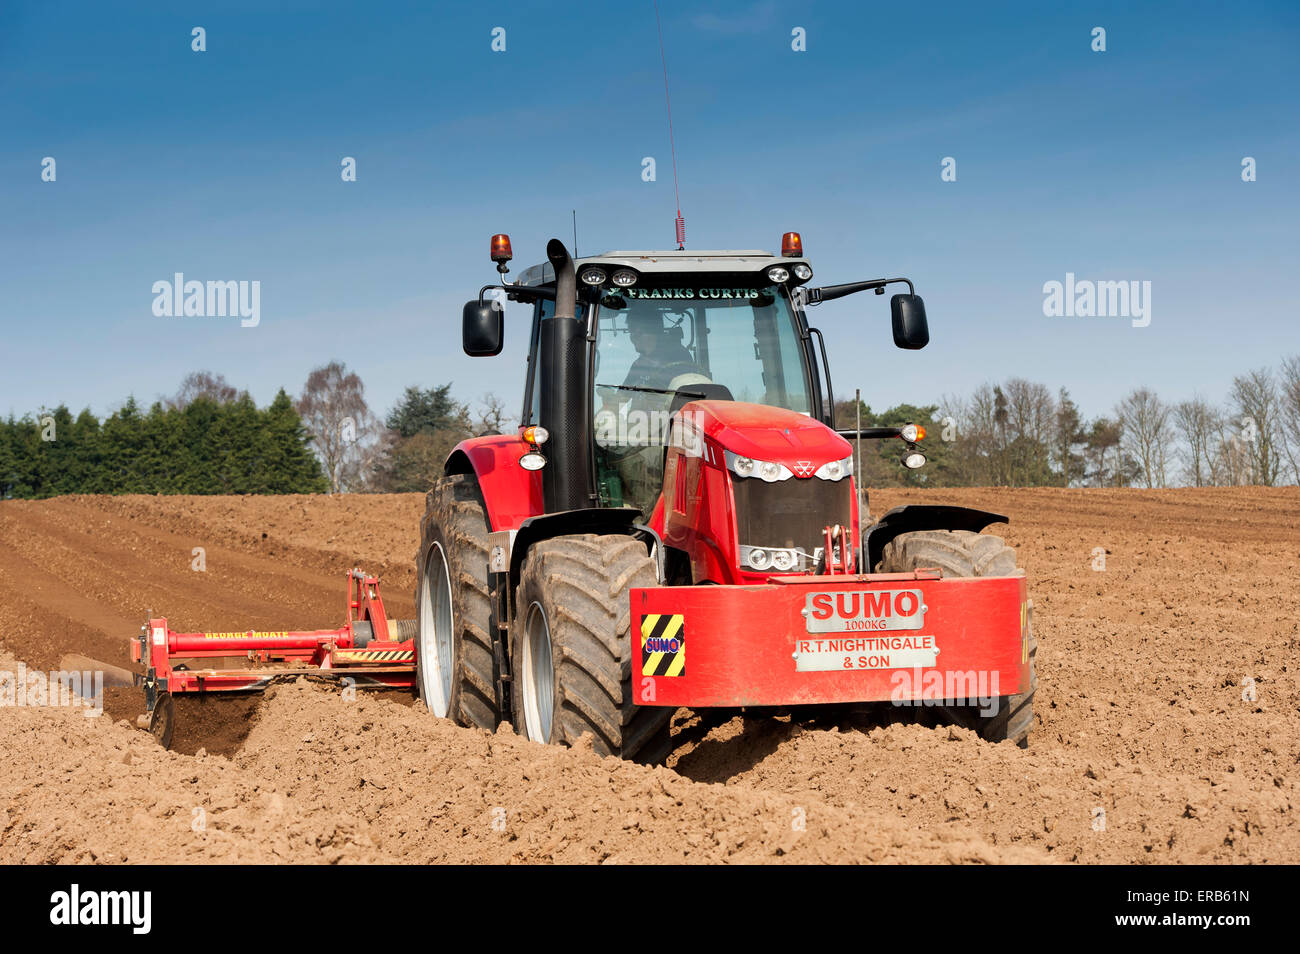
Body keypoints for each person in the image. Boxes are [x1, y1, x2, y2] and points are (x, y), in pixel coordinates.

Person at [621, 309, 702, 392]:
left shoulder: (678, 356)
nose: (633, 337)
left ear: (653, 330)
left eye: (637, 332)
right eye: (631, 332)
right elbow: (621, 396)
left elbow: (687, 392)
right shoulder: (639, 364)